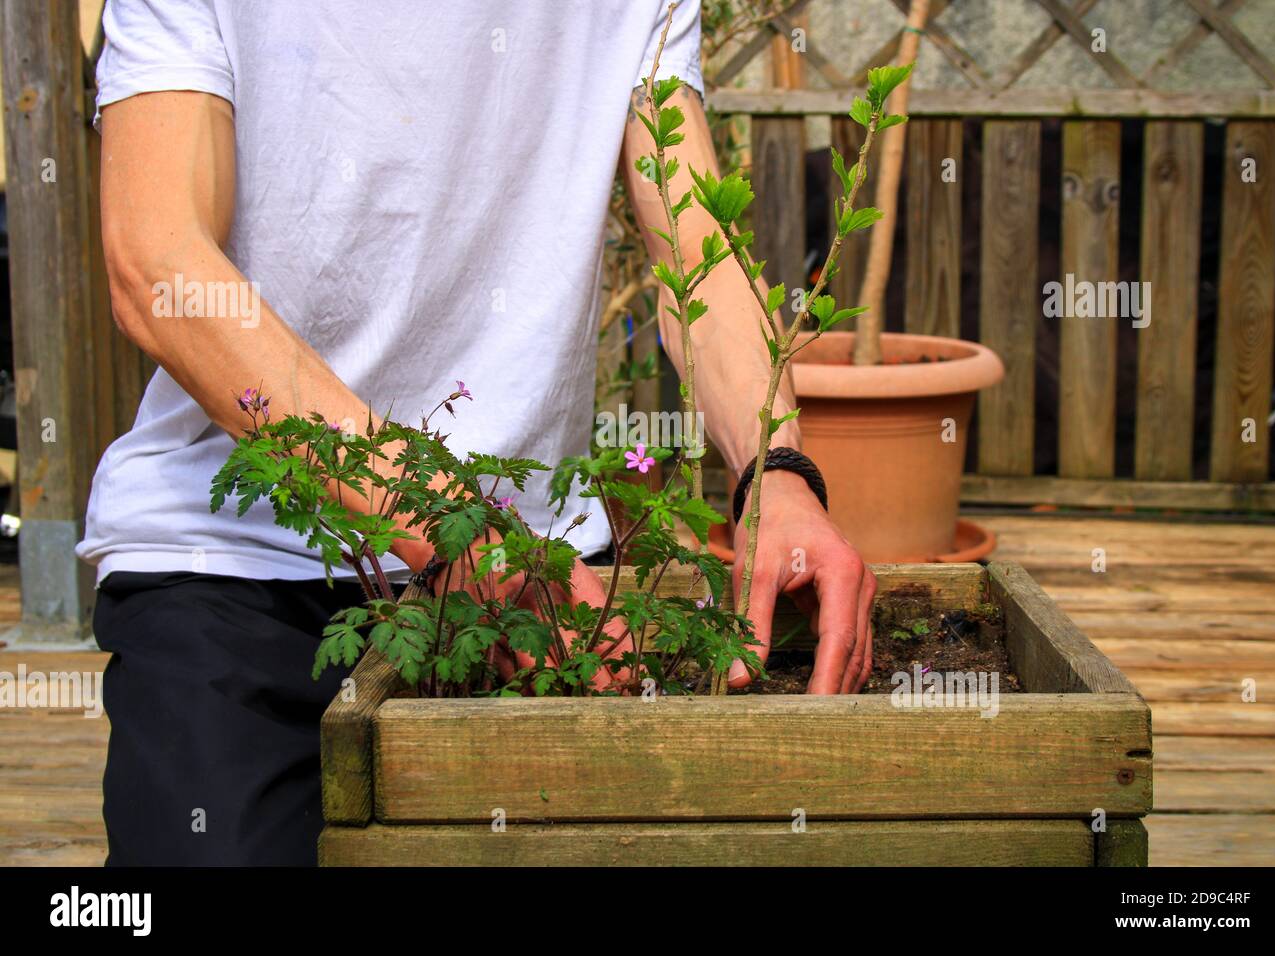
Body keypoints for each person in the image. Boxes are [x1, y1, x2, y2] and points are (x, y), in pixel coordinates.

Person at [80, 0, 876, 865]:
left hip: (545, 591)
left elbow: (695, 251)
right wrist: (446, 524)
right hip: (235, 569)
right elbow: (158, 264)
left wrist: (779, 472)